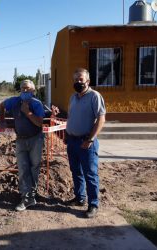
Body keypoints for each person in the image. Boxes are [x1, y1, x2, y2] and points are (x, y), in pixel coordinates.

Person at [65, 68, 106, 218]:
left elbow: (101, 119)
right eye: (75, 79)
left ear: (88, 81)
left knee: (90, 174)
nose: (78, 82)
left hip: (86, 142)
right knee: (76, 171)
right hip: (73, 142)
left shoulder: (94, 96)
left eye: (80, 79)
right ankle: (80, 198)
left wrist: (90, 139)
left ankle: (93, 204)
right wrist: (67, 134)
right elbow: (72, 117)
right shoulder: (73, 97)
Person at [0, 79, 45, 211]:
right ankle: (27, 198)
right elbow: (1, 105)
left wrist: (27, 113)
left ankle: (32, 194)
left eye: (28, 89)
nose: (25, 91)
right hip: (20, 140)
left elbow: (39, 123)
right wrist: (2, 120)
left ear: (33, 91)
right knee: (23, 169)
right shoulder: (14, 101)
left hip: (35, 139)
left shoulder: (36, 104)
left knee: (34, 168)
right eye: (23, 88)